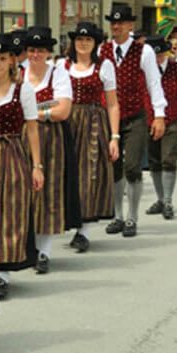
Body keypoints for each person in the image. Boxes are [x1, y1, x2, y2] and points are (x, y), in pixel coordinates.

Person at [0, 35, 41, 298]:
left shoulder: (23, 89)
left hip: (12, 151)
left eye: (2, 58)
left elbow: (33, 129)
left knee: (10, 208)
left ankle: (3, 271)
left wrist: (37, 165)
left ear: (11, 60)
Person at [96, 4, 165, 239]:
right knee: (113, 167)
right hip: (109, 117)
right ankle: (118, 215)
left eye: (121, 23)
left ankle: (132, 217)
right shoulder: (102, 50)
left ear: (130, 26)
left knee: (133, 166)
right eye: (113, 23)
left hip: (135, 115)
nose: (116, 26)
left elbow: (154, 83)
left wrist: (159, 115)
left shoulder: (143, 51)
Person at [58, 22, 118, 252]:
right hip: (67, 121)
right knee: (66, 172)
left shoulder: (104, 66)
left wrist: (114, 136)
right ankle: (68, 220)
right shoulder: (62, 66)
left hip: (93, 122)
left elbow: (112, 104)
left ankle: (83, 230)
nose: (83, 43)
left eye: (88, 40)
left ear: (95, 44)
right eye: (79, 40)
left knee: (89, 173)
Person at [21, 28, 71, 273]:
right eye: (31, 50)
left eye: (40, 50)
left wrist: (34, 113)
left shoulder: (58, 74)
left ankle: (45, 251)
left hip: (50, 138)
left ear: (48, 53)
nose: (35, 54)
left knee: (48, 192)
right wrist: (45, 111)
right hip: (20, 139)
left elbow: (63, 111)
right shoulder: (19, 73)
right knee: (22, 191)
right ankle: (25, 246)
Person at [144, 35, 177, 220]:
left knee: (169, 160)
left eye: (160, 55)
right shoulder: (142, 70)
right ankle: (160, 199)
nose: (158, 59)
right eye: (154, 56)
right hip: (148, 120)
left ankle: (168, 200)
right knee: (154, 161)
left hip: (172, 119)